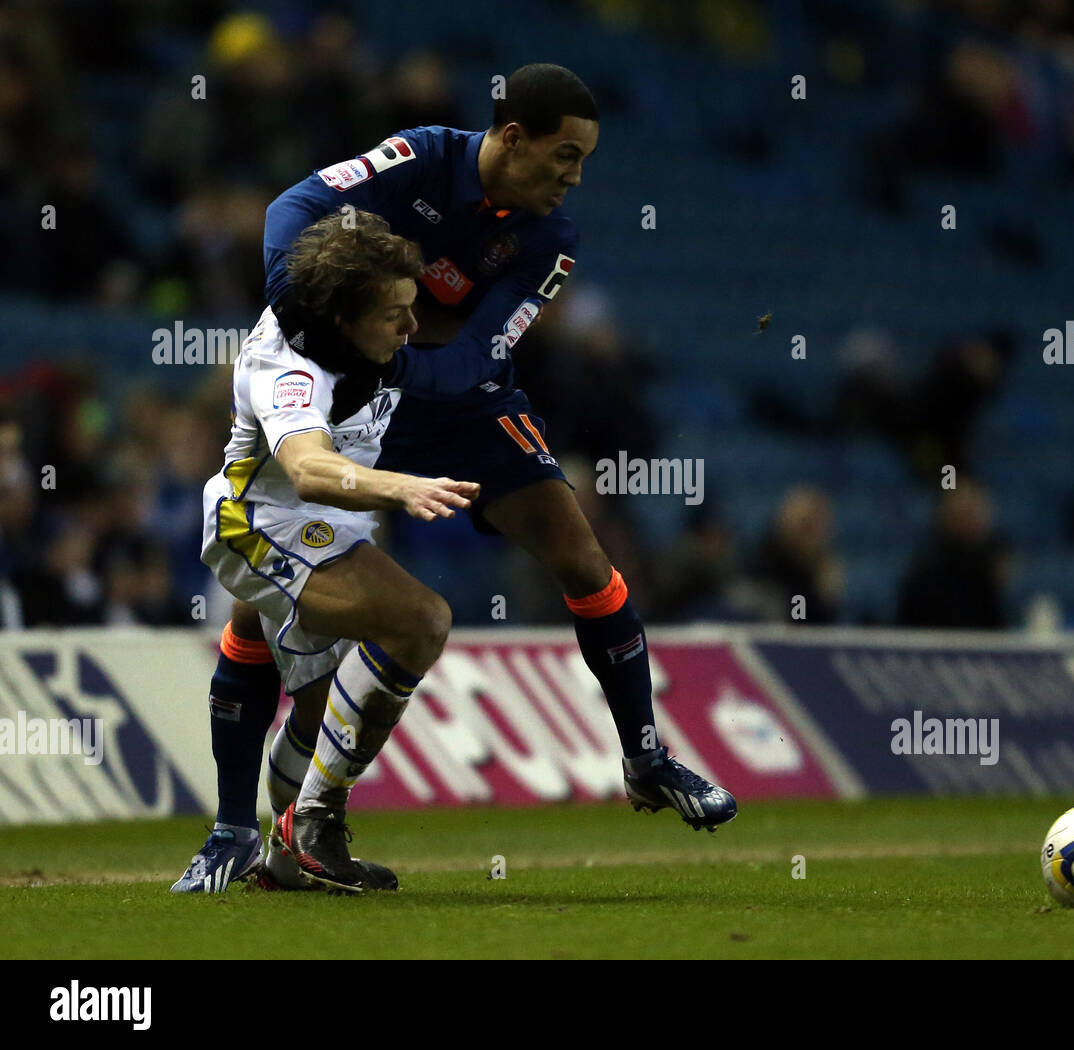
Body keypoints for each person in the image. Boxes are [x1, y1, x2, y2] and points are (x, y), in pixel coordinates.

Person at [175, 63, 735, 894]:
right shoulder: (419, 156)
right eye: (566, 157)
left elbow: (476, 353)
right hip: (352, 380)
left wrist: (389, 351)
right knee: (281, 613)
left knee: (582, 557)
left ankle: (645, 756)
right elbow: (290, 210)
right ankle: (246, 826)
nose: (574, 178)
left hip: (452, 398)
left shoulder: (551, 240)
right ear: (514, 138)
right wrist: (302, 314)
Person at [172, 211, 479, 893]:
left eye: (413, 307)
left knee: (319, 715)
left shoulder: (366, 340)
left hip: (328, 525)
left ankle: (271, 852)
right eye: (395, 313)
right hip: (258, 519)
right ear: (344, 316)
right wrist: (398, 487)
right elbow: (308, 468)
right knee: (420, 619)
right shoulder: (290, 363)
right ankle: (308, 822)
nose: (409, 327)